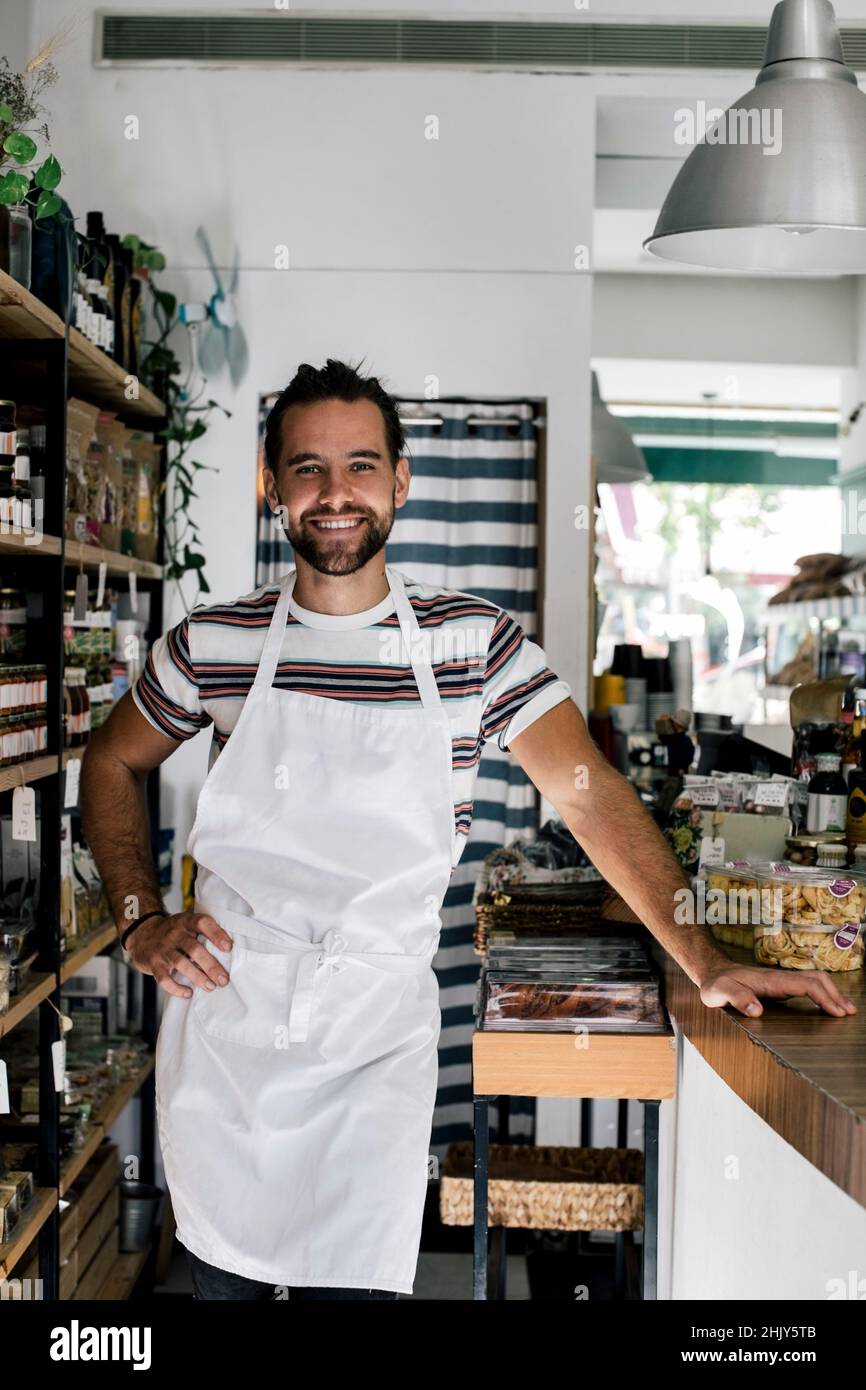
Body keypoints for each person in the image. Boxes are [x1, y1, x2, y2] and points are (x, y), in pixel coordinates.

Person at [81, 358, 857, 1302]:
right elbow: (111, 761)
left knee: (355, 1286)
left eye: (362, 466)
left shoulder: (473, 644)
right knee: (219, 1281)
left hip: (373, 1037)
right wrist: (137, 916)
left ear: (401, 481)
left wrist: (701, 960)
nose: (336, 494)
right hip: (231, 1026)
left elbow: (589, 796)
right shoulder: (214, 641)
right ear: (271, 483)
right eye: (309, 468)